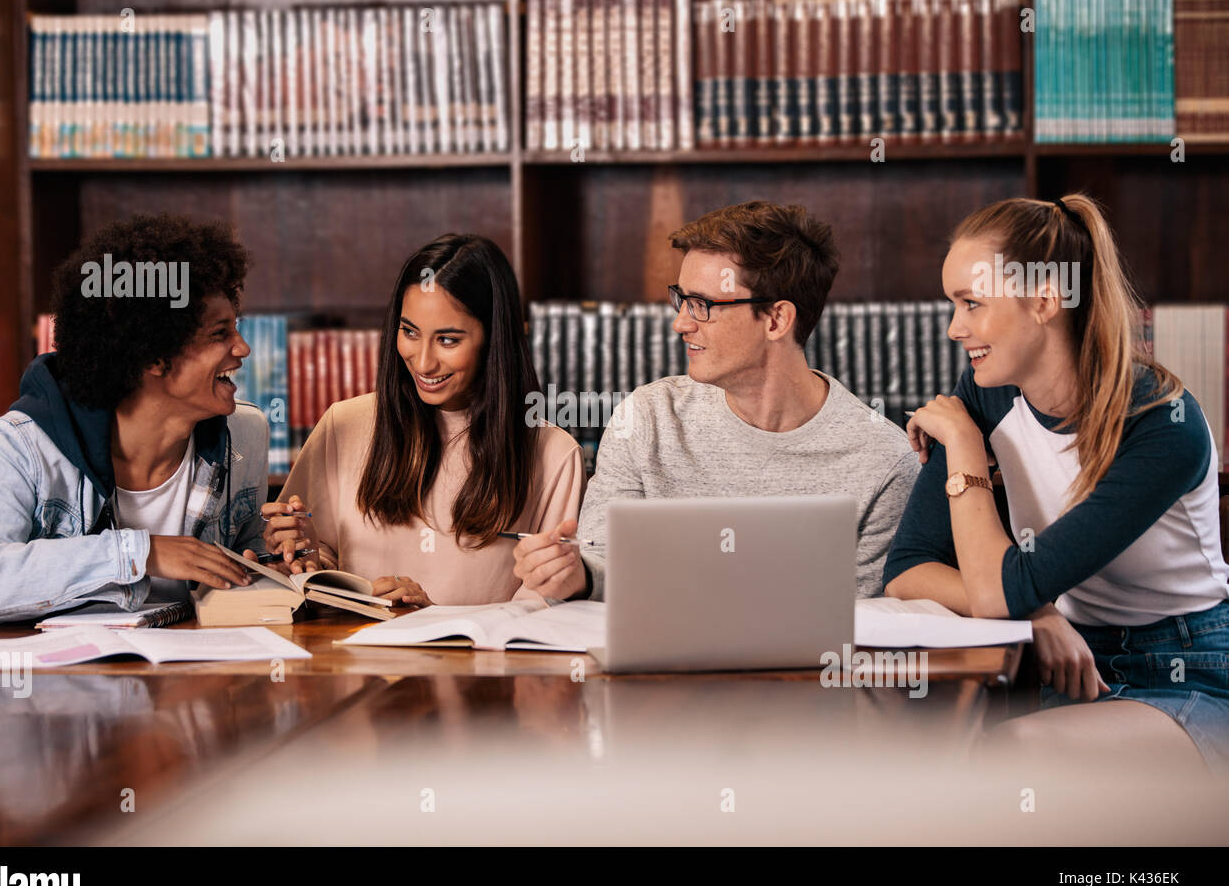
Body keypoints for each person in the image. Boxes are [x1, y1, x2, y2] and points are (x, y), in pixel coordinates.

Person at [884, 192, 1229, 774]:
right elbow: (908, 571)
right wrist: (1037, 612)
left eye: (971, 304)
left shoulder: (1163, 425)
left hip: (1189, 671)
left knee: (1005, 758)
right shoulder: (987, 395)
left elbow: (995, 593)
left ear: (1045, 300)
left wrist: (965, 445)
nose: (953, 328)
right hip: (1062, 657)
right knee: (923, 748)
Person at [512, 200, 919, 601]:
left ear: (777, 320)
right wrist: (573, 574)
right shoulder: (645, 418)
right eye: (681, 298)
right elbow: (601, 562)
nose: (680, 323)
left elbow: (865, 621)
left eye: (702, 305)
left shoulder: (883, 458)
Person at [0, 214, 267, 625]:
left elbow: (242, 561)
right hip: (60, 683)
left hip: (197, 677)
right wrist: (139, 553)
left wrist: (281, 555)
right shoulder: (28, 445)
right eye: (220, 334)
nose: (243, 348)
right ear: (152, 356)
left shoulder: (245, 435)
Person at [263, 233, 584, 606]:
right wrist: (301, 555)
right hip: (349, 659)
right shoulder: (343, 425)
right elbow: (313, 566)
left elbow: (543, 614)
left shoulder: (554, 455)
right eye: (409, 332)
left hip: (473, 663)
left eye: (447, 340)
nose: (423, 362)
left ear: (494, 339)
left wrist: (431, 617)